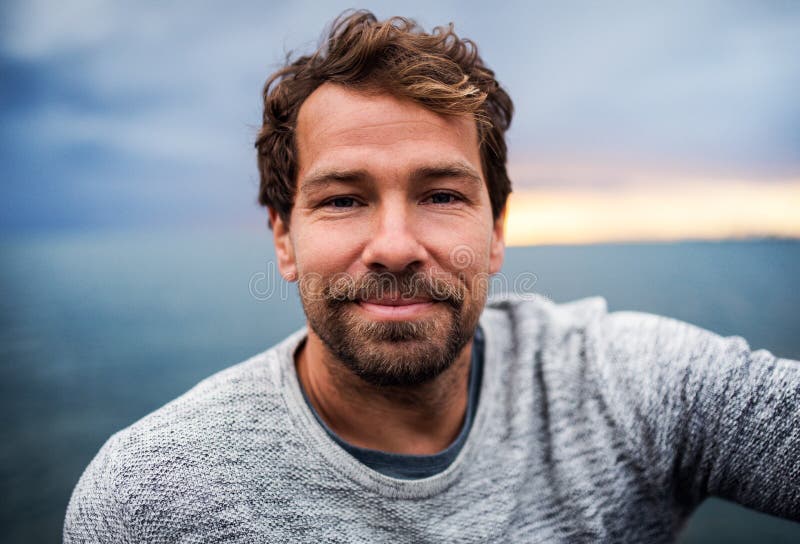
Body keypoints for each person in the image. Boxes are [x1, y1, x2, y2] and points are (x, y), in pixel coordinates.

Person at [64, 10, 800, 543]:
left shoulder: (630, 386)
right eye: (343, 199)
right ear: (284, 239)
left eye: (442, 195)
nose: (394, 248)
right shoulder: (153, 497)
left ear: (497, 231)